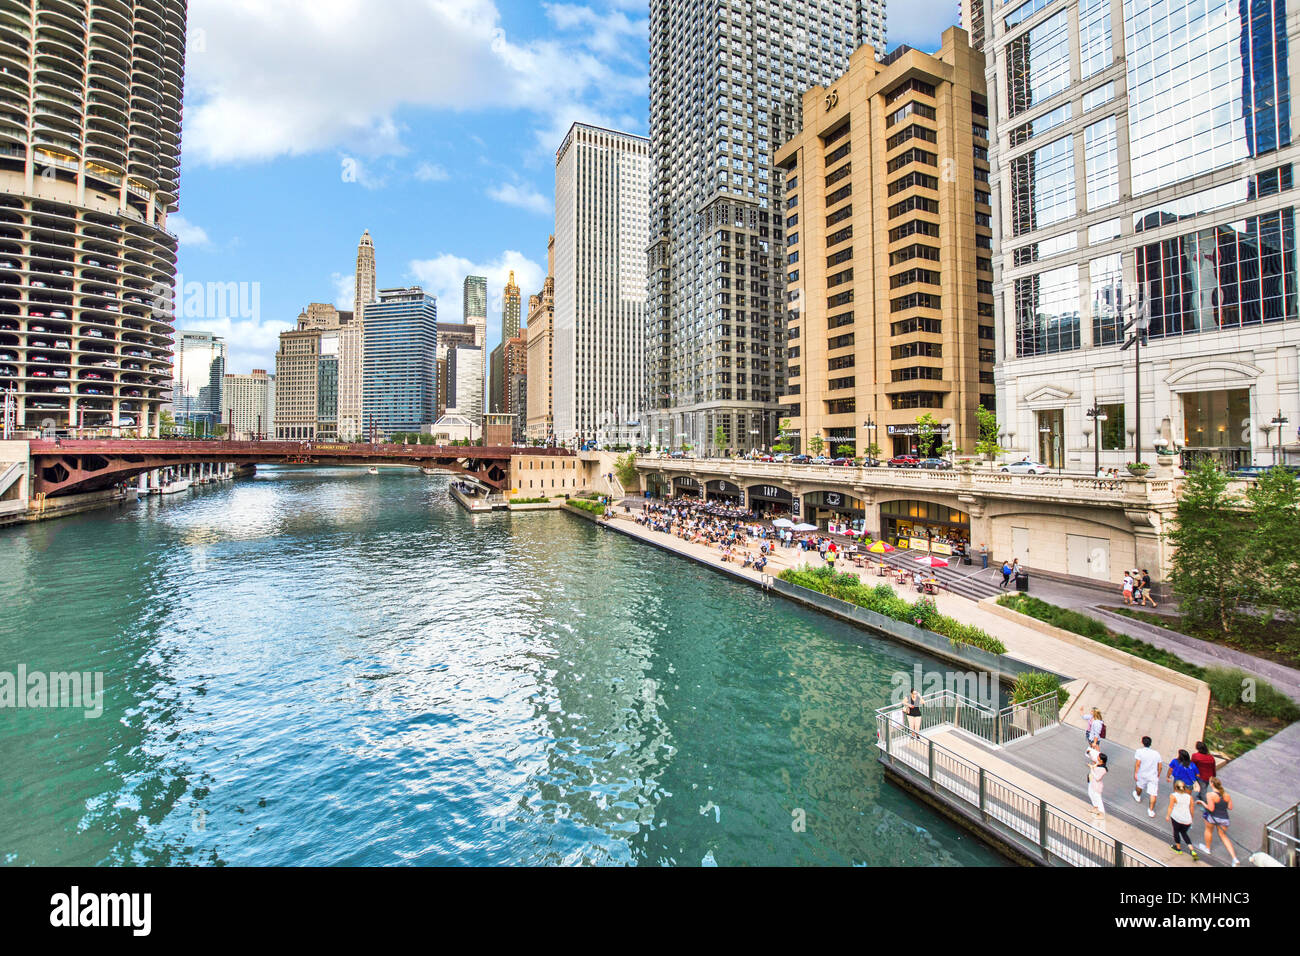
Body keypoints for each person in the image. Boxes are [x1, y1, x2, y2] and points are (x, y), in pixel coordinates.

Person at [1197, 778, 1239, 866]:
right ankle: (1234, 858)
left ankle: (1207, 848)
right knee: (1223, 836)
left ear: (1212, 784)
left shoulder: (1210, 795)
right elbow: (1230, 807)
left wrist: (1201, 802)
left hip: (1212, 817)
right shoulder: (1226, 795)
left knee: (1208, 831)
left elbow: (1211, 808)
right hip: (1224, 818)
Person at [1132, 735, 1163, 818]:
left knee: (1139, 786)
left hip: (1142, 773)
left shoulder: (1139, 751)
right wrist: (1158, 774)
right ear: (1150, 743)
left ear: (1142, 742)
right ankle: (1151, 810)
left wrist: (1136, 773)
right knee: (1153, 793)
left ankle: (1138, 796)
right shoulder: (1156, 754)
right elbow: (1160, 766)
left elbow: (1138, 764)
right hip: (1153, 776)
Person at [1166, 782, 1198, 859]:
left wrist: (1168, 815)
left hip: (1176, 818)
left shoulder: (1173, 796)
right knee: (1184, 833)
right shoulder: (1189, 797)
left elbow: (1170, 807)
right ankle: (1192, 850)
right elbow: (1192, 809)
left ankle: (1178, 848)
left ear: (1175, 787)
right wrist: (1191, 818)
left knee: (1176, 831)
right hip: (1187, 819)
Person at [1087, 752, 1109, 830]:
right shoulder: (1098, 763)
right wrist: (1089, 754)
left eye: (1099, 757)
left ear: (1101, 760)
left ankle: (1101, 813)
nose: (1097, 757)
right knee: (1090, 793)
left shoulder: (1103, 769)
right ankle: (1095, 807)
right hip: (1092, 782)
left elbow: (1097, 778)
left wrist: (1092, 769)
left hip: (1097, 785)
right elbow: (1094, 759)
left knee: (1098, 799)